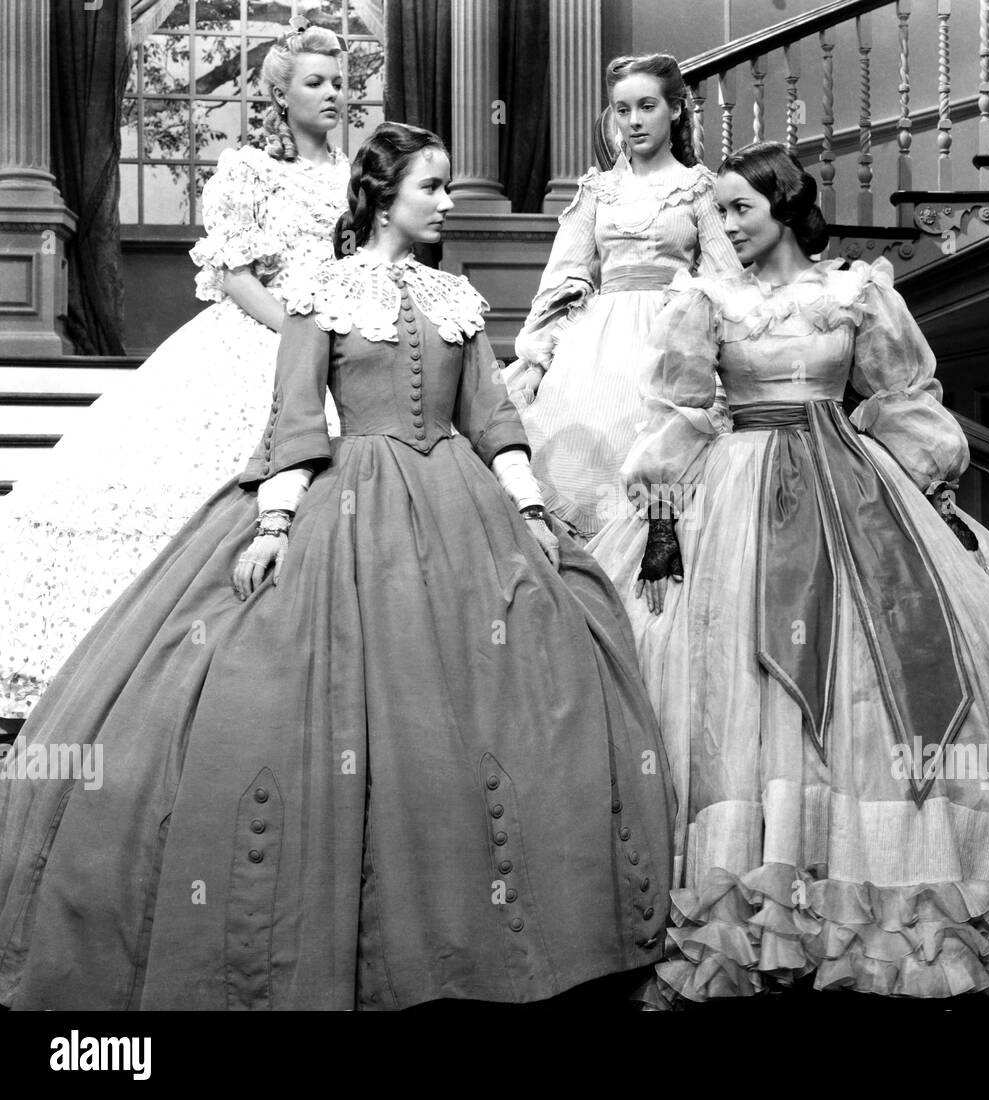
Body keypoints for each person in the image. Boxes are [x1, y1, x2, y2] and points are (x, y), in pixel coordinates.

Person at [0, 122, 675, 1010]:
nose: (444, 202)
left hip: (464, 507)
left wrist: (532, 509)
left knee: (509, 692)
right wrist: (274, 523)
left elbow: (494, 418)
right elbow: (292, 422)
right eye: (430, 187)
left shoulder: (453, 299)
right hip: (349, 493)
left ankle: (491, 935)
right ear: (384, 192)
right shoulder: (321, 293)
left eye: (445, 186)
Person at [587, 143, 989, 1003]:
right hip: (737, 498)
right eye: (717, 211)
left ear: (785, 207)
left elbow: (903, 394)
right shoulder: (704, 300)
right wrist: (658, 516)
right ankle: (752, 895)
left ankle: (883, 892)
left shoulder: (857, 291)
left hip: (852, 493)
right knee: (733, 693)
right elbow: (681, 407)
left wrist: (937, 492)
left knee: (876, 677)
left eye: (738, 209)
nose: (723, 227)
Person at [0, 20, 350, 719]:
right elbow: (231, 270)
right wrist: (297, 334)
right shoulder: (248, 170)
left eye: (341, 82)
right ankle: (152, 673)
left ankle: (284, 680)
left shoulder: (354, 179)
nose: (334, 94)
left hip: (338, 346)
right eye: (316, 82)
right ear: (280, 95)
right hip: (258, 338)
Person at [505, 53, 741, 539]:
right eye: (622, 109)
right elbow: (564, 273)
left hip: (671, 337)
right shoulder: (598, 189)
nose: (633, 121)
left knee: (660, 467)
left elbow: (726, 279)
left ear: (675, 110)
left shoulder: (698, 187)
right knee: (585, 466)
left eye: (647, 106)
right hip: (597, 343)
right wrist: (538, 350)